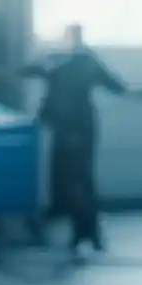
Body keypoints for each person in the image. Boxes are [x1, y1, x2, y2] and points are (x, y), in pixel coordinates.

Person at [21, 24, 127, 255]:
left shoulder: (56, 61)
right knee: (83, 178)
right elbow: (117, 86)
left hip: (67, 127)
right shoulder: (87, 61)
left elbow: (28, 70)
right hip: (83, 127)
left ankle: (82, 232)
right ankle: (91, 233)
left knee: (70, 179)